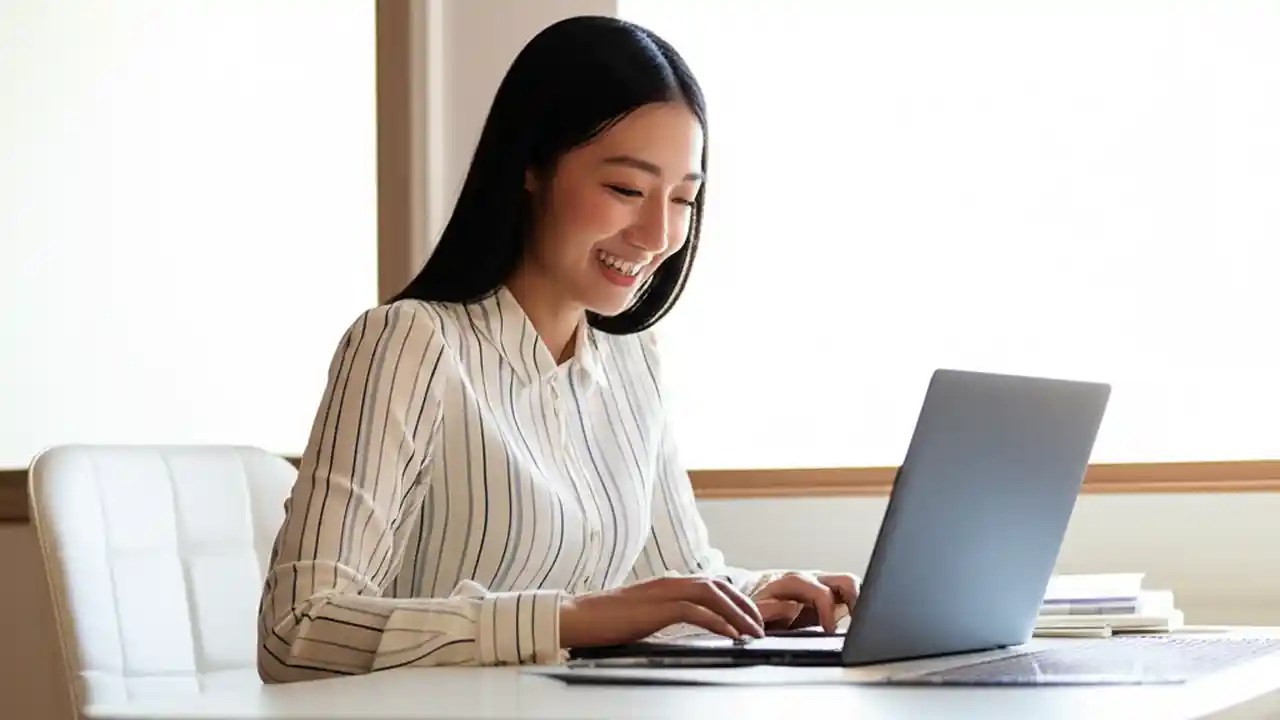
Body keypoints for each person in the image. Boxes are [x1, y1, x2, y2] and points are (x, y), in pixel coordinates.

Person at [257, 15, 858, 683]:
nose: (659, 234)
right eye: (626, 189)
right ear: (531, 167)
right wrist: (568, 619)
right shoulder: (409, 344)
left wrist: (763, 595)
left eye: (684, 198)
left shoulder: (632, 362)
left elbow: (672, 581)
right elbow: (299, 630)